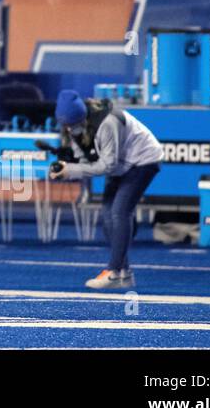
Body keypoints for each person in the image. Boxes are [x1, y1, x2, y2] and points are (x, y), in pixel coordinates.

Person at [49, 90, 164, 289]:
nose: (69, 130)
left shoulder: (108, 123)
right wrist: (66, 165)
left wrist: (72, 170)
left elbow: (107, 166)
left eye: (71, 126)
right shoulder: (72, 125)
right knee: (107, 216)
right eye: (66, 126)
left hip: (143, 160)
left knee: (120, 212)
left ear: (81, 118)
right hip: (121, 163)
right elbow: (85, 160)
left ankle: (113, 271)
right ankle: (124, 274)